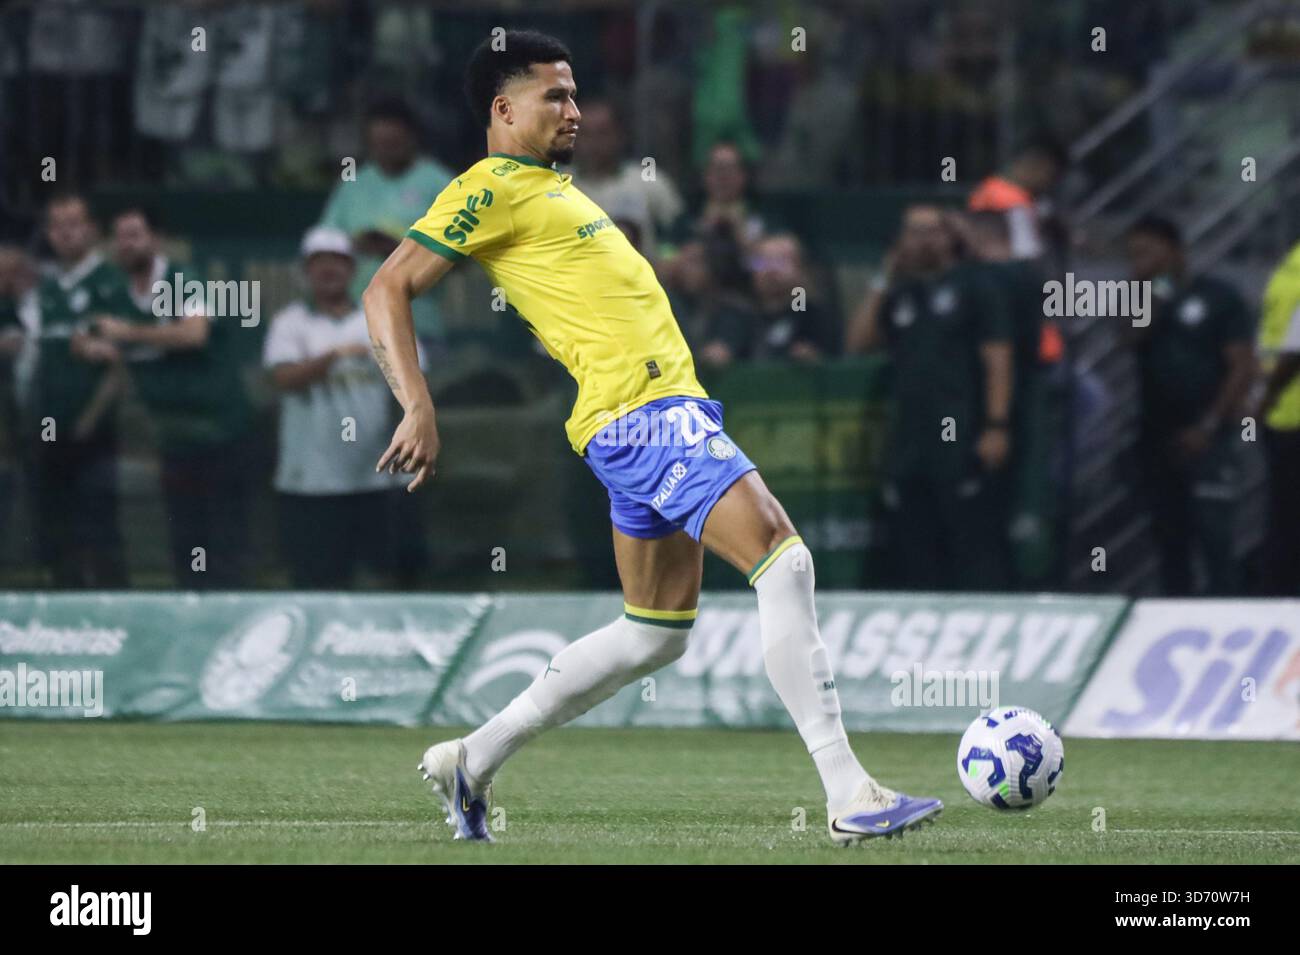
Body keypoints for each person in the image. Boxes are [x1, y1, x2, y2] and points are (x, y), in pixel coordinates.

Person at [364, 30, 942, 845]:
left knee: (652, 633)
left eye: (574, 93)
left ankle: (472, 755)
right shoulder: (491, 185)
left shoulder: (548, 190)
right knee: (786, 559)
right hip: (644, 414)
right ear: (502, 109)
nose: (574, 110)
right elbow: (386, 287)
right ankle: (849, 792)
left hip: (652, 414)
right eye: (553, 96)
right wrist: (417, 401)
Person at [853, 206, 1015, 591]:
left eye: (932, 231)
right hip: (910, 437)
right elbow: (859, 342)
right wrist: (883, 277)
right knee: (913, 537)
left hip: (960, 429)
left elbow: (998, 358)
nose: (923, 240)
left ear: (949, 238)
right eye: (913, 232)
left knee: (966, 533)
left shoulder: (975, 286)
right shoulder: (902, 294)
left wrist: (996, 424)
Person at [99, 207, 255, 589]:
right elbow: (107, 344)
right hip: (173, 439)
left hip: (222, 435)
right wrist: (98, 346)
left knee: (224, 545)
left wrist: (129, 334)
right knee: (185, 543)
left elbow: (193, 334)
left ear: (157, 238)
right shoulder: (117, 295)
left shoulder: (182, 280)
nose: (127, 243)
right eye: (119, 235)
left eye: (135, 233)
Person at [264, 226, 427, 589]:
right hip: (312, 480)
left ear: (352, 269)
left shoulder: (384, 317)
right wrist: (334, 356)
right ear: (305, 272)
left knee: (389, 579)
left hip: (379, 478)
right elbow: (284, 378)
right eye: (318, 263)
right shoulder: (289, 323)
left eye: (337, 262)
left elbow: (418, 381)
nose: (328, 271)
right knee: (317, 581)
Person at [1126, 216, 1254, 596]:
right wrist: (1151, 294)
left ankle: (1228, 617)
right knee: (1169, 537)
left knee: (1214, 535)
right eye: (1133, 255)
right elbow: (1131, 338)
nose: (1140, 261)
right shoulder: (1140, 298)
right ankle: (1174, 613)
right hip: (1155, 433)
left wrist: (1210, 425)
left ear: (1175, 249)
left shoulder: (1219, 296)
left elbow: (1242, 365)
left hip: (1208, 435)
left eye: (1147, 251)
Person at [27, 194, 134, 588]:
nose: (66, 233)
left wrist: (89, 422)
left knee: (100, 527)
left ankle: (116, 621)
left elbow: (122, 366)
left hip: (93, 432)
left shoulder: (110, 281)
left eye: (74, 223)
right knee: (56, 531)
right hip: (46, 427)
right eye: (57, 225)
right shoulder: (45, 287)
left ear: (91, 229)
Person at [319, 99, 453, 350]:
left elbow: (463, 253)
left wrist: (400, 249)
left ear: (413, 138)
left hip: (419, 324)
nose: (386, 150)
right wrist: (356, 244)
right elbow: (326, 243)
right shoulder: (353, 184)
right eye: (379, 144)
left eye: (393, 143)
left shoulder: (440, 182)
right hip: (357, 324)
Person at [573, 99, 684, 258]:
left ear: (620, 135)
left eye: (602, 133)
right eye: (586, 134)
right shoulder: (558, 184)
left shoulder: (647, 179)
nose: (594, 143)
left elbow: (678, 234)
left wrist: (668, 258)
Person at [1253, 240, 1300, 594]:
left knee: (1284, 520)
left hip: (1282, 414)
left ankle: (1279, 598)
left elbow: (1288, 347)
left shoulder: (1289, 267)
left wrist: (1262, 400)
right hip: (1284, 413)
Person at [967, 139, 1066, 261]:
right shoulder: (1011, 201)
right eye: (1051, 176)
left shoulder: (991, 187)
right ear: (1039, 165)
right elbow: (1026, 252)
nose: (1048, 184)